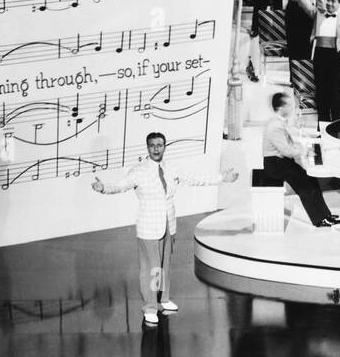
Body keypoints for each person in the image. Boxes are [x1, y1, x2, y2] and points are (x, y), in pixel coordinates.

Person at [93, 133, 238, 327]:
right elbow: (121, 185)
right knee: (151, 269)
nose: (156, 149)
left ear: (164, 146)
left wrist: (222, 178)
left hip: (168, 224)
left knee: (164, 266)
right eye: (152, 145)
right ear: (147, 147)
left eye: (159, 145)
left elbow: (195, 178)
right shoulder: (139, 170)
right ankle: (150, 307)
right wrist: (104, 187)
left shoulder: (171, 168)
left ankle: (163, 299)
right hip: (148, 227)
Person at [258, 91, 339, 227]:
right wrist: (304, 150)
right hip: (275, 164)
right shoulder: (275, 126)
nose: (292, 108)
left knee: (310, 178)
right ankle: (319, 219)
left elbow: (290, 143)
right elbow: (287, 151)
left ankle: (325, 214)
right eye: (289, 105)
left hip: (281, 161)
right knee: (304, 183)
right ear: (282, 107)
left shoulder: (279, 122)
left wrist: (302, 148)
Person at [301, 0, 340, 122]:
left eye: (333, 1)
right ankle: (322, 126)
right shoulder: (318, 14)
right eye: (328, 0)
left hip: (336, 58)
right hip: (320, 56)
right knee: (321, 93)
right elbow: (305, 3)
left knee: (336, 94)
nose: (329, 3)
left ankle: (336, 126)